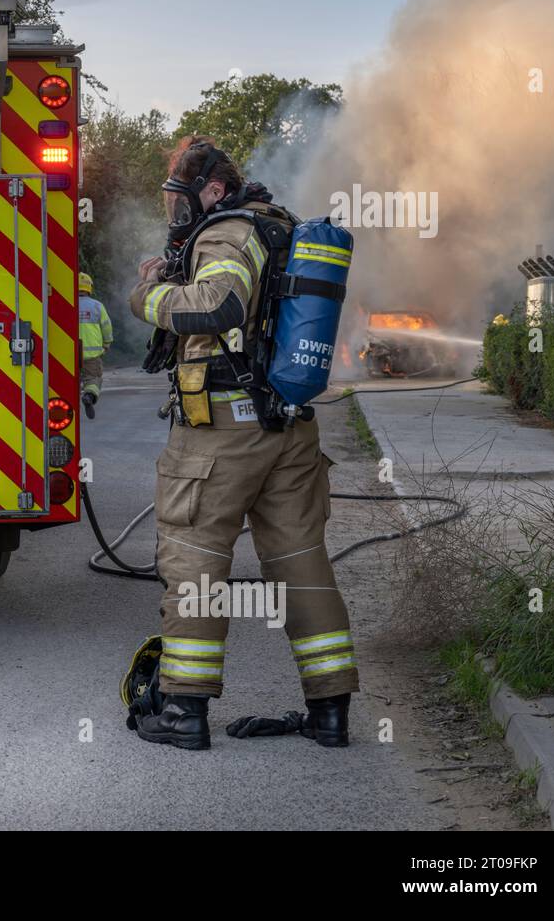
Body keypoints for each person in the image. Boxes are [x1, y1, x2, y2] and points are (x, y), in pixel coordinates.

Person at [126, 136, 358, 750]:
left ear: (215, 190)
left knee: (194, 563)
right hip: (289, 430)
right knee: (301, 564)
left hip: (221, 436)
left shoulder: (228, 232)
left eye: (183, 202)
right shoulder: (277, 225)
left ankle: (183, 712)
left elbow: (219, 305)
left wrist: (144, 295)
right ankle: (330, 711)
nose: (177, 216)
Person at [78, 272, 113, 419]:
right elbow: (106, 327)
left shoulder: (65, 303)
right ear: (89, 288)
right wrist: (107, 343)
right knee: (93, 379)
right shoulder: (97, 306)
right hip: (91, 356)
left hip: (66, 354)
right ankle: (89, 396)